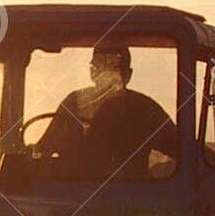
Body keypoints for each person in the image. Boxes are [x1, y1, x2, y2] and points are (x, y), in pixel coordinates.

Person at [37, 44, 177, 178]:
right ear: (92, 72)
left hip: (129, 197)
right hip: (73, 194)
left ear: (128, 74)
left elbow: (182, 153)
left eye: (113, 68)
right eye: (98, 67)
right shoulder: (73, 102)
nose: (105, 75)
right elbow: (44, 149)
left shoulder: (145, 109)